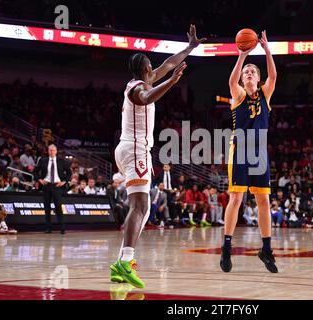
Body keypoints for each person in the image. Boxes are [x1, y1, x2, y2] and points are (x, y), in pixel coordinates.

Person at [109, 25, 205, 289]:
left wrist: (190, 48)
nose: (155, 68)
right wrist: (172, 82)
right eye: (152, 66)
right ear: (145, 69)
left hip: (133, 148)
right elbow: (148, 96)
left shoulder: (144, 80)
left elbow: (170, 62)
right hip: (135, 148)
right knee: (139, 206)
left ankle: (121, 261)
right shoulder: (136, 88)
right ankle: (126, 261)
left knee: (144, 206)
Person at [221, 31, 278, 274]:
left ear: (259, 77)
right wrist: (242, 57)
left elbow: (274, 75)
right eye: (247, 72)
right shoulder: (239, 95)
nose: (249, 73)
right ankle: (226, 246)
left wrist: (266, 50)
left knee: (264, 200)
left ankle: (266, 249)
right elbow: (231, 82)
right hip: (241, 150)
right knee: (236, 198)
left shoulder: (265, 94)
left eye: (253, 71)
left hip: (260, 152)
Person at [33, 144, 71, 234]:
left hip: (57, 186)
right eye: (50, 150)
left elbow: (69, 173)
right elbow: (35, 171)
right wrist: (40, 180)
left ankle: (62, 228)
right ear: (48, 151)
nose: (52, 152)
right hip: (46, 186)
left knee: (58, 207)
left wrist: (64, 182)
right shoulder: (43, 161)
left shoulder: (62, 161)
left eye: (53, 150)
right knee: (47, 208)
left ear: (56, 151)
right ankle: (48, 228)